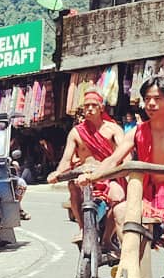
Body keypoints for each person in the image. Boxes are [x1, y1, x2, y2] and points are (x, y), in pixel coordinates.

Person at [78, 76, 164, 278]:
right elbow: (114, 159)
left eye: (157, 99)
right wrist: (93, 176)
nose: (150, 104)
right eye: (147, 99)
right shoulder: (137, 131)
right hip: (147, 194)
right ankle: (133, 264)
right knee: (120, 211)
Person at [48, 90, 126, 242]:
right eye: (86, 106)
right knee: (73, 186)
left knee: (118, 197)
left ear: (101, 108)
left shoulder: (114, 129)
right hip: (84, 177)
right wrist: (56, 173)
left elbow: (125, 153)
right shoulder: (76, 133)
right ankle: (83, 229)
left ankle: (107, 239)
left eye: (93, 105)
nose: (89, 108)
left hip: (109, 176)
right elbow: (66, 160)